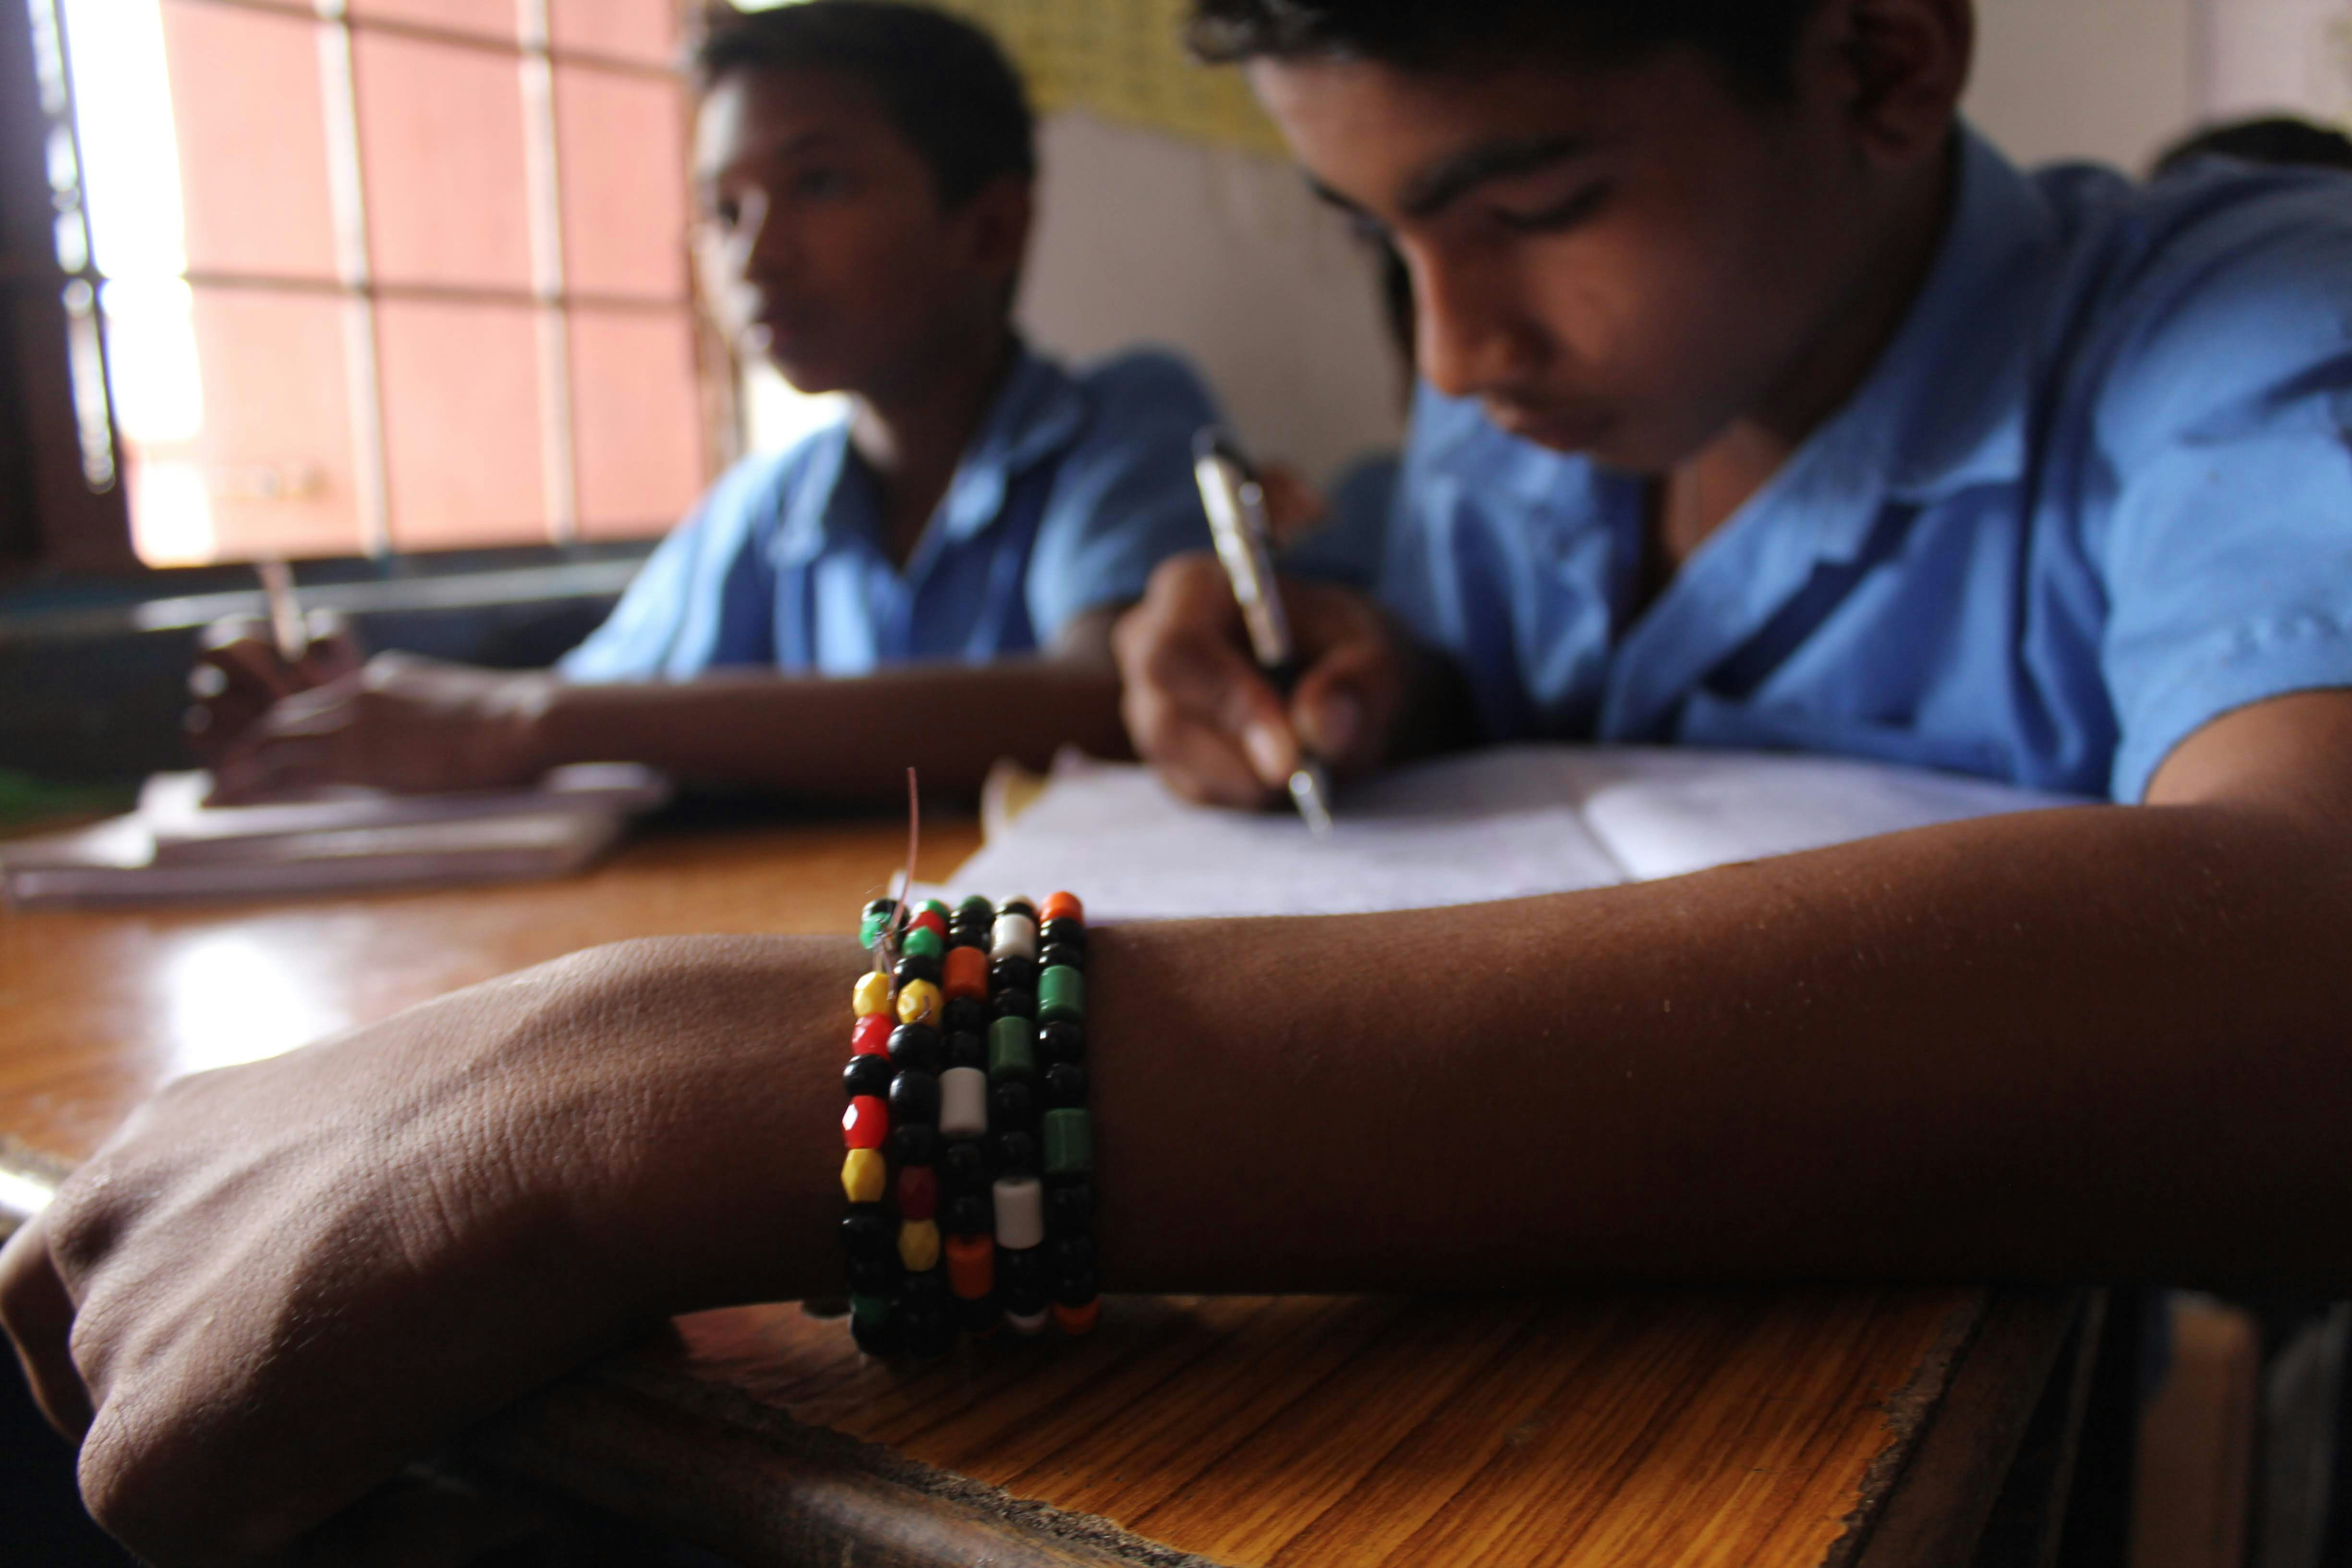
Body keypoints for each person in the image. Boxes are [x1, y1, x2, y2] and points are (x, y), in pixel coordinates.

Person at [9, 1, 2352, 1562]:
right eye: (1376, 238)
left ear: (1875, 59)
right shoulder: (1531, 420)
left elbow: (2312, 970)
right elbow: (1475, 674)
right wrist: (1348, 665)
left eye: (1533, 207)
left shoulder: (2243, 326)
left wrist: (805, 1091)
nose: (1453, 351)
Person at [190, 0, 1218, 806]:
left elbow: (1108, 696)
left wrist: (527, 719)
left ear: (988, 229)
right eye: (723, 210)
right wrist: (339, 715)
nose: (753, 258)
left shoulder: (1120, 424)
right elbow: (585, 703)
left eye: (818, 185)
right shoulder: (767, 512)